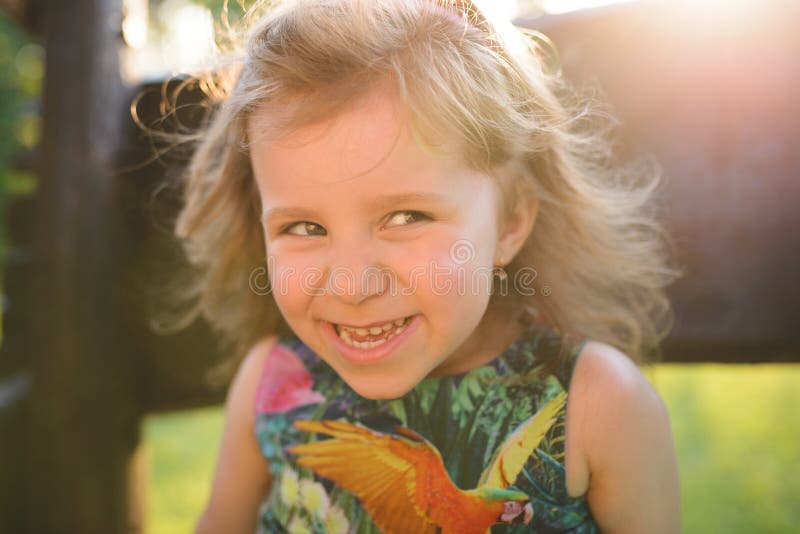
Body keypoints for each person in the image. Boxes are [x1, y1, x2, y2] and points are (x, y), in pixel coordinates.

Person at [169, 1, 682, 532]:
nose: (351, 283)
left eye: (406, 216)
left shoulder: (597, 407)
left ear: (510, 222)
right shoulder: (270, 385)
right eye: (304, 228)